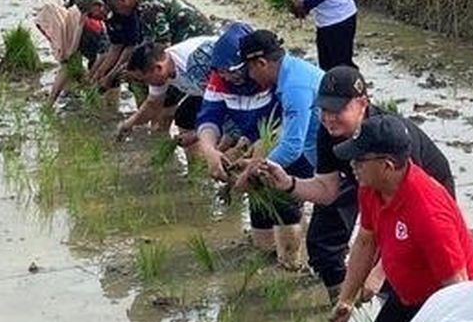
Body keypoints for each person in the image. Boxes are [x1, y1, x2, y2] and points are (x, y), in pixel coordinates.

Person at [257, 65, 454, 302]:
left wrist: (379, 272)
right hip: (371, 186)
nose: (329, 118)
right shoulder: (329, 131)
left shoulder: (389, 138)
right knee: (323, 243)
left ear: (362, 104)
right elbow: (327, 190)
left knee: (409, 271)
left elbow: (412, 214)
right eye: (324, 109)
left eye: (337, 110)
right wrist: (289, 183)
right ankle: (345, 305)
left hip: (426, 202)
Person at [330, 115, 473, 322]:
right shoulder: (370, 187)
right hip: (410, 295)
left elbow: (458, 287)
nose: (352, 165)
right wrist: (346, 299)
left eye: (360, 160)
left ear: (387, 165)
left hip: (447, 300)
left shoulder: (427, 211)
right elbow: (366, 241)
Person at [190, 23, 288, 259]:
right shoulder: (220, 79)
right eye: (221, 71)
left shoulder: (278, 78)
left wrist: (254, 158)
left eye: (231, 72)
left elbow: (288, 126)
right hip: (256, 149)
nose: (225, 76)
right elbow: (209, 117)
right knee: (260, 215)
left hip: (285, 150)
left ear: (251, 64)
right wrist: (210, 151)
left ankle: (292, 262)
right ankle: (267, 260)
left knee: (285, 208)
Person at [237, 29, 323, 268]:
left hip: (335, 163)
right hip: (320, 156)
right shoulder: (292, 72)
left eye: (249, 69)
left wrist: (253, 171)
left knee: (324, 239)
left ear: (261, 63)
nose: (250, 76)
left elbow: (292, 146)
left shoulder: (294, 86)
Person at [92, 0, 214, 89]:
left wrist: (125, 72)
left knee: (155, 77)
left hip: (195, 43)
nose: (118, 13)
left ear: (122, 0)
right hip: (189, 39)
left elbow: (161, 47)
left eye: (115, 9)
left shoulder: (148, 8)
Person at [117, 35, 216, 141]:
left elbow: (224, 101)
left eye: (144, 80)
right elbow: (152, 105)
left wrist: (196, 134)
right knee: (184, 118)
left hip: (225, 86)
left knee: (211, 132)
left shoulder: (195, 64)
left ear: (158, 68)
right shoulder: (162, 69)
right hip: (209, 91)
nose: (146, 84)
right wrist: (128, 124)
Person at [35, 0, 110, 106]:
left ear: (98, 5)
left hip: (110, 60)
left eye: (88, 12)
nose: (89, 15)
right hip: (95, 54)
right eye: (85, 13)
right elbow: (71, 55)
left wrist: (92, 75)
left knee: (107, 91)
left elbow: (104, 55)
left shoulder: (100, 26)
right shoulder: (82, 22)